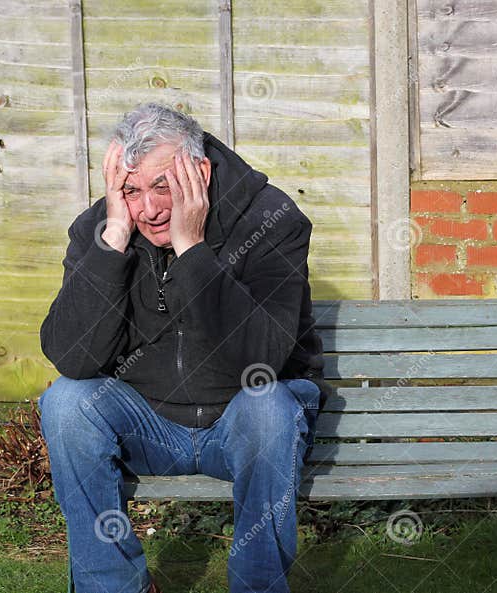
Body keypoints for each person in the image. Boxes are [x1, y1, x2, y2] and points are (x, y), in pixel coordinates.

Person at [37, 102, 329, 593]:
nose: (149, 210)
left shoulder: (271, 220)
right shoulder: (102, 229)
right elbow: (74, 358)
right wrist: (112, 241)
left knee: (268, 405)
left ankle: (257, 586)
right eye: (131, 190)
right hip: (147, 426)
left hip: (243, 423)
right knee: (67, 402)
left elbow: (260, 361)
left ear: (201, 173)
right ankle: (114, 586)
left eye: (163, 187)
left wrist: (192, 250)